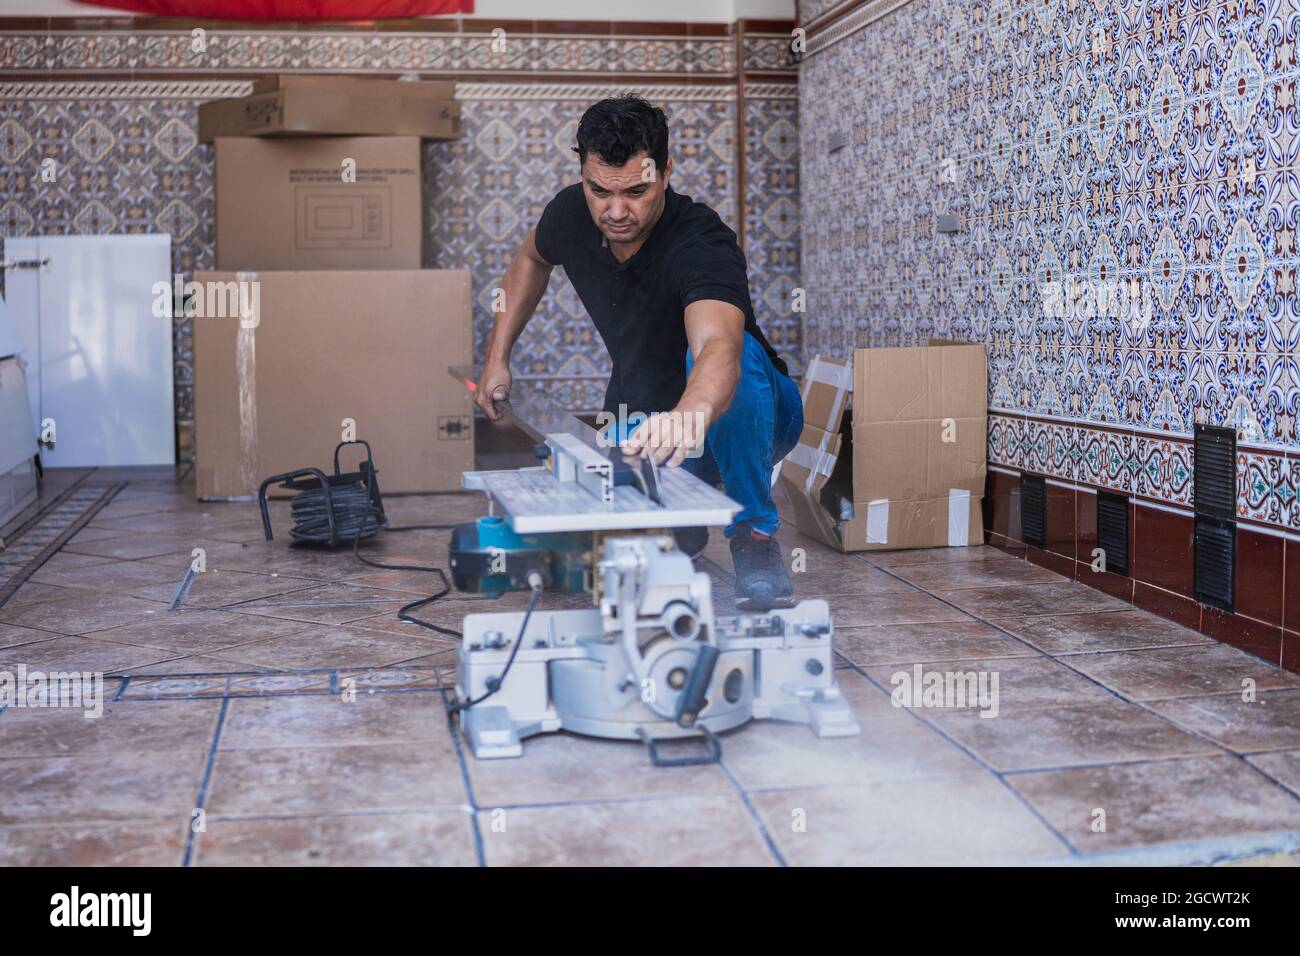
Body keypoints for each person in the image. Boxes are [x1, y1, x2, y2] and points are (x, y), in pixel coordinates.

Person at [474, 94, 802, 610]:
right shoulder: (570, 215)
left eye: (636, 191)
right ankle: (678, 527)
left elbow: (719, 345)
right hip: (645, 421)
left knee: (736, 362)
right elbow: (529, 260)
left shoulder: (702, 242)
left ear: (665, 172)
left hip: (753, 410)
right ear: (583, 174)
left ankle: (756, 540)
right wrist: (498, 357)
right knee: (599, 543)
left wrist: (690, 413)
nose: (616, 210)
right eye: (599, 191)